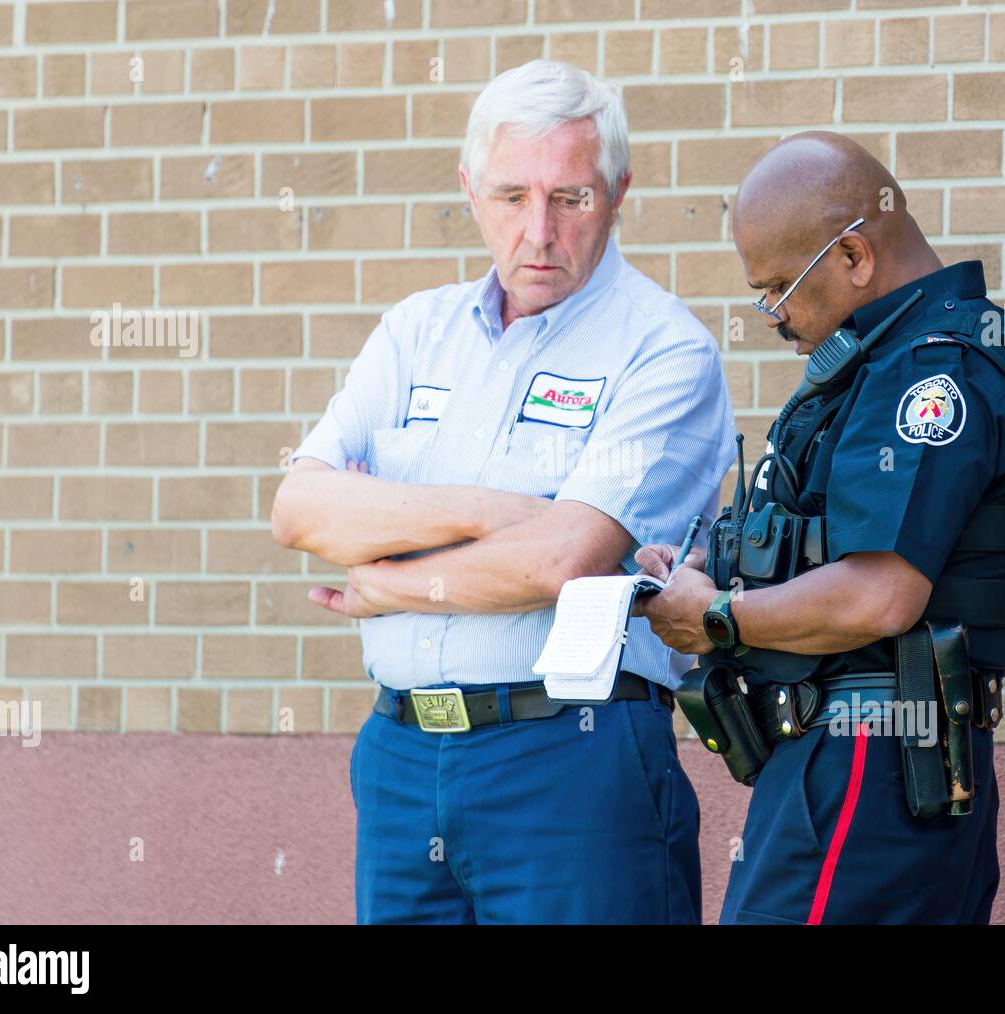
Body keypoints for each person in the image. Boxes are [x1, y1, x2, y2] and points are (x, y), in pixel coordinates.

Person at [270, 59, 736, 924]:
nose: (539, 232)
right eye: (511, 196)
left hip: (571, 759)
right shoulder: (415, 333)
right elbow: (299, 511)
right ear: (469, 191)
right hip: (402, 760)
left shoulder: (665, 351)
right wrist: (500, 513)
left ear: (619, 191)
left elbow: (563, 560)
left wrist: (387, 577)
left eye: (571, 198)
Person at [634, 131, 1005, 924]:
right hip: (867, 761)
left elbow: (881, 594)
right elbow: (822, 534)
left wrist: (716, 618)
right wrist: (710, 564)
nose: (772, 314)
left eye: (780, 287)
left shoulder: (934, 367)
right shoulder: (890, 356)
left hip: (866, 765)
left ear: (854, 255)